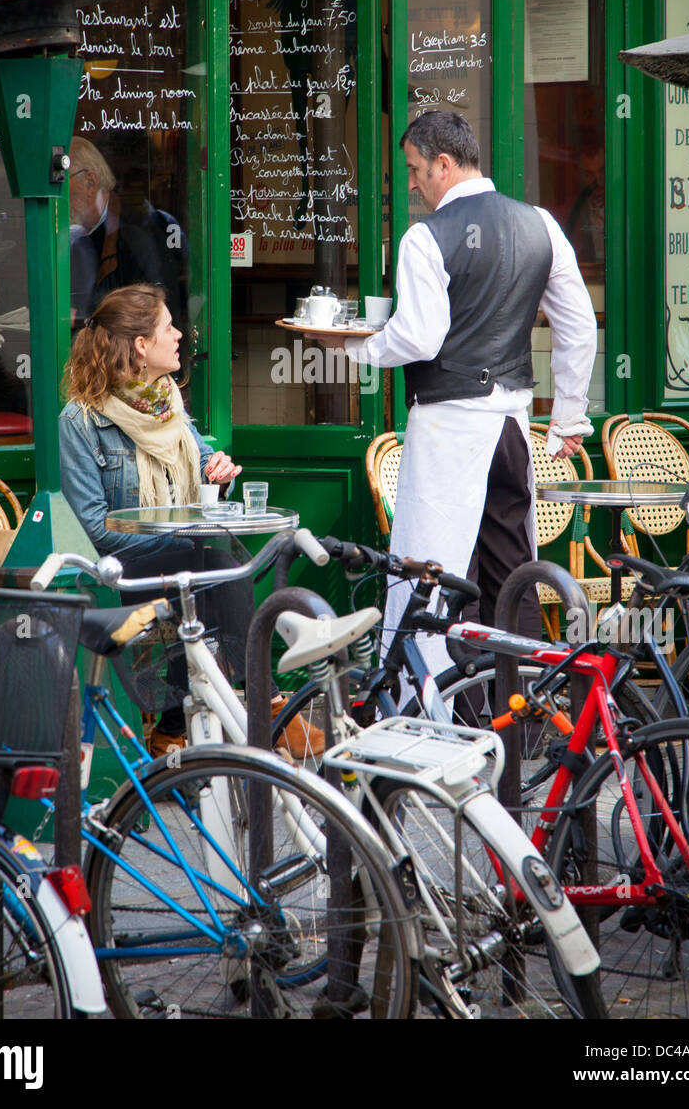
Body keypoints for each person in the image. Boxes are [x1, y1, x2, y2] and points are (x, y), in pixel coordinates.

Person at [323, 110, 597, 683]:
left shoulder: (425, 237)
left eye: (416, 170)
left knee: (436, 573)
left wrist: (357, 346)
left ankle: (444, 718)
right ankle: (520, 712)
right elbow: (578, 326)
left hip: (448, 427)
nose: (414, 183)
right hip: (512, 431)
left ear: (444, 163)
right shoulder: (541, 224)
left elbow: (420, 336)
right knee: (511, 570)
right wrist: (568, 416)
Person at [59, 282, 321, 757]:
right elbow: (98, 530)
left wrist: (219, 470)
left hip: (182, 557)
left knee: (211, 560)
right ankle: (270, 705)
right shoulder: (81, 421)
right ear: (141, 346)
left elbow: (206, 469)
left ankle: (177, 723)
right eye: (168, 327)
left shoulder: (167, 405)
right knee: (214, 556)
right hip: (125, 567)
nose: (180, 334)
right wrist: (183, 531)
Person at [68, 137, 187, 326]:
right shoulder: (82, 235)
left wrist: (80, 317)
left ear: (90, 182)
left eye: (62, 184)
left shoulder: (135, 235)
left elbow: (150, 313)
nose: (58, 200)